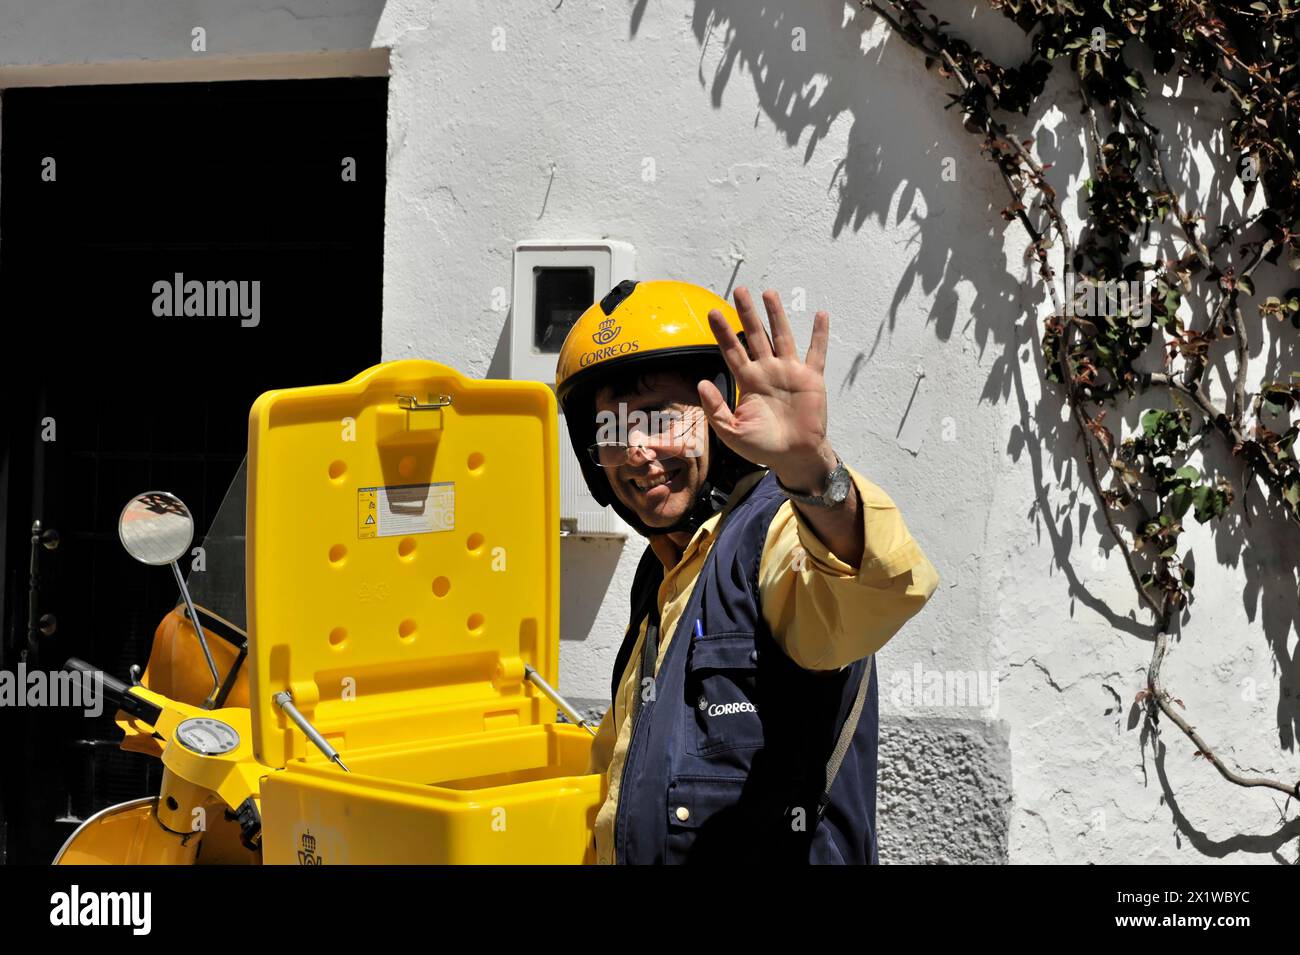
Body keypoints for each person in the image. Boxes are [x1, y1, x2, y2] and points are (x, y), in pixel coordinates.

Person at [554, 279, 938, 864]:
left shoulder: (776, 536)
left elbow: (876, 586)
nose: (638, 452)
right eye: (613, 429)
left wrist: (813, 473)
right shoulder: (660, 573)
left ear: (720, 418)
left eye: (660, 419)